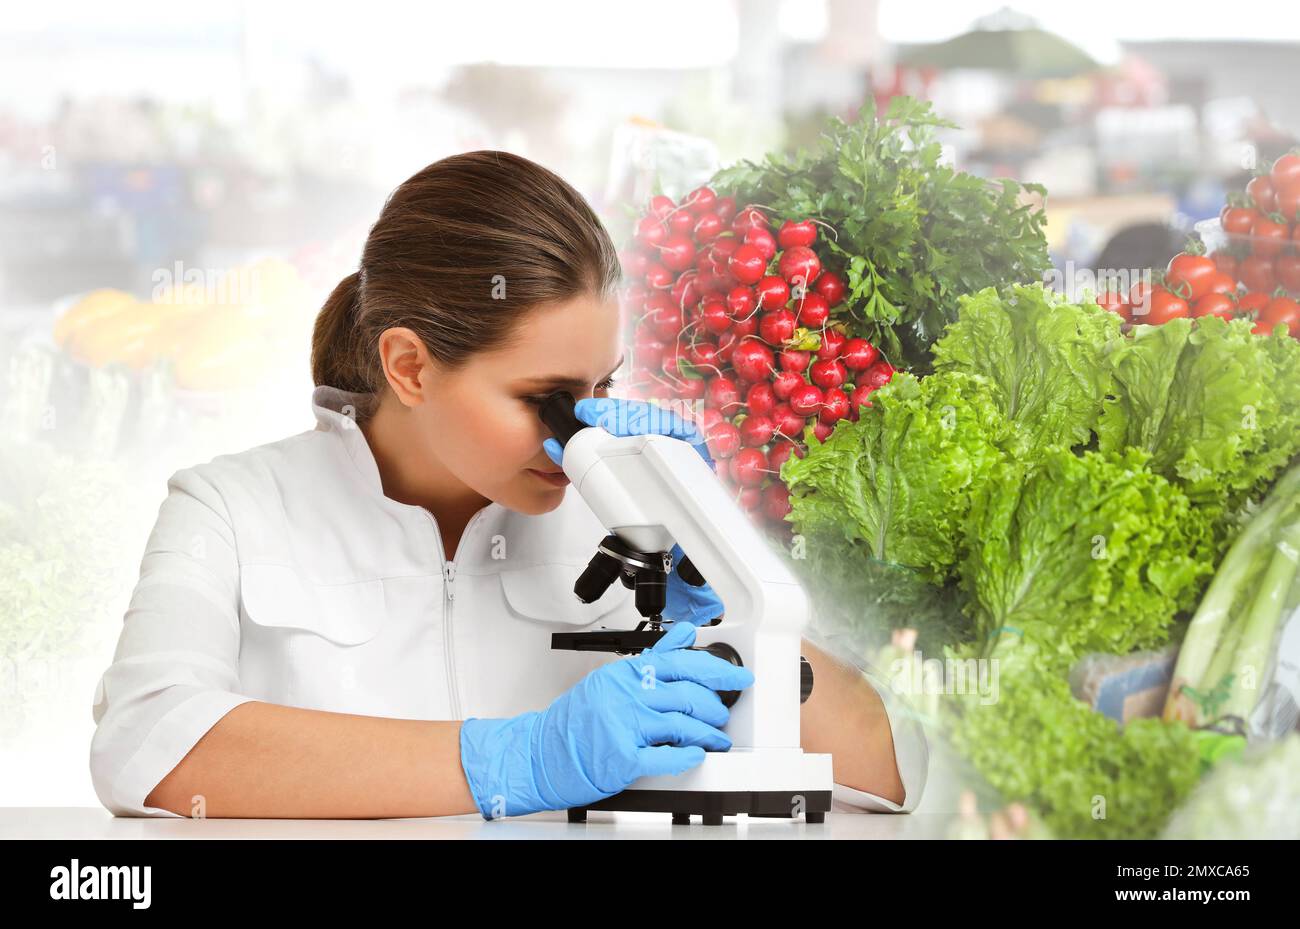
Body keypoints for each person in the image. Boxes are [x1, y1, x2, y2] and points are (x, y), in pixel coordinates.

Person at [88, 150, 927, 820]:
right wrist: (516, 758)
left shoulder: (621, 526)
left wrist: (722, 573)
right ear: (410, 367)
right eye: (547, 399)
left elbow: (894, 770)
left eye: (604, 387)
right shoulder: (229, 508)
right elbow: (146, 742)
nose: (583, 433)